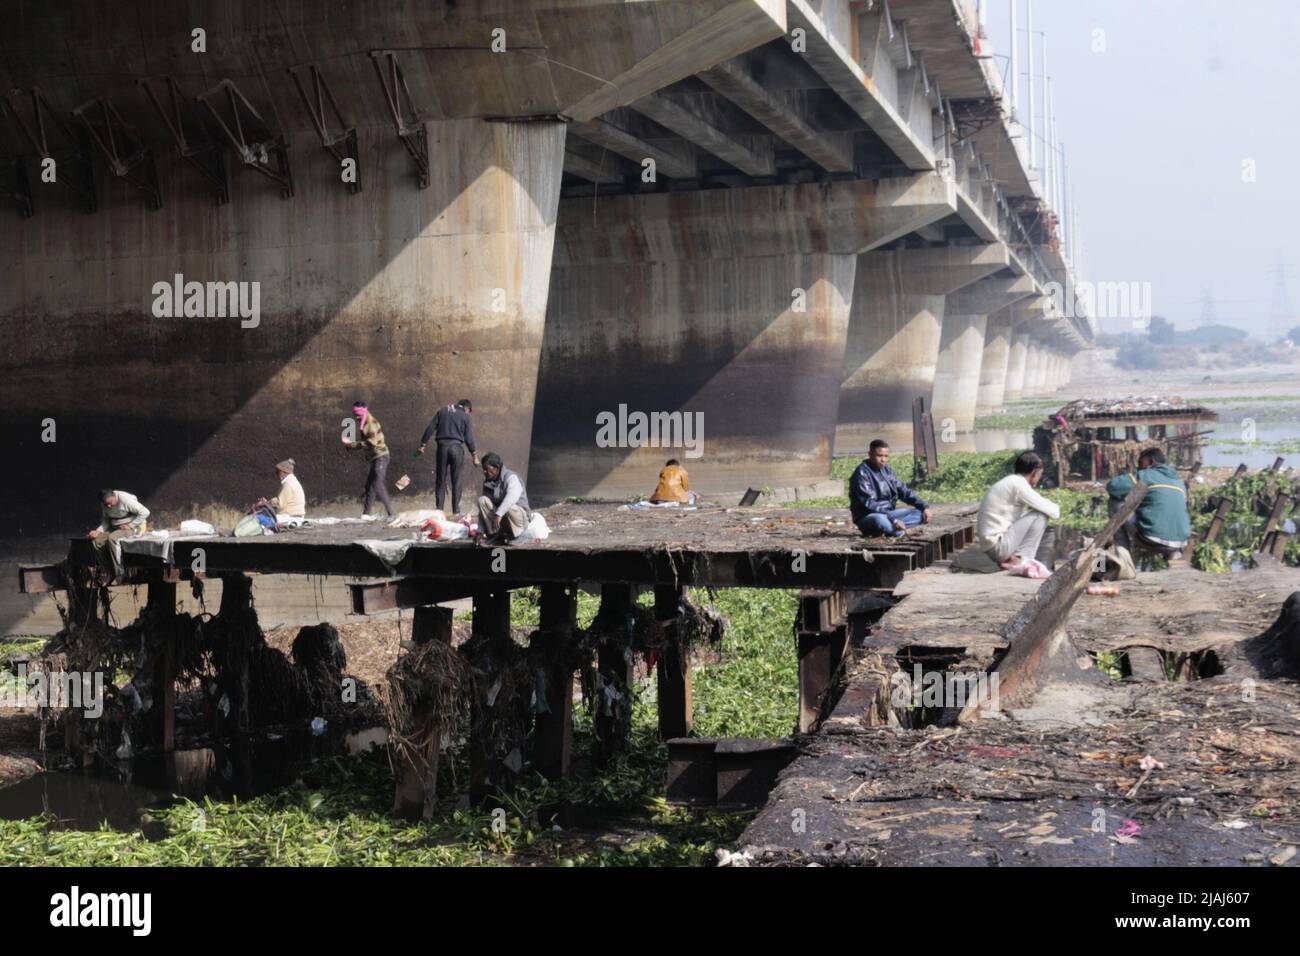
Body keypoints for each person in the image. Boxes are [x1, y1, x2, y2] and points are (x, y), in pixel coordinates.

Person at [975, 451, 1060, 569]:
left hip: (993, 547)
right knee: (1040, 515)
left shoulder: (1011, 481)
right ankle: (1022, 558)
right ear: (1034, 472)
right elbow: (1054, 513)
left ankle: (1017, 558)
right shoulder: (1019, 485)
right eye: (1040, 474)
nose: (1039, 478)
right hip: (998, 548)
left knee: (1034, 513)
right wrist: (1047, 506)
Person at [1106, 447, 1191, 558]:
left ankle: (1122, 554)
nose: (1139, 467)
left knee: (1115, 502)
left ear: (1151, 461)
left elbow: (1112, 486)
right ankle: (1174, 555)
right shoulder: (1179, 482)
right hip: (1180, 543)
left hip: (1151, 539)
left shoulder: (1145, 475)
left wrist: (1130, 476)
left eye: (1141, 463)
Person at [850, 440, 931, 537]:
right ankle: (897, 530)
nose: (883, 460)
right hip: (869, 515)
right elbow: (869, 503)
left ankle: (893, 530)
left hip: (889, 514)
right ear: (870, 454)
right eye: (879, 456)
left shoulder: (887, 471)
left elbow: (904, 492)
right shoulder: (861, 473)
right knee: (879, 520)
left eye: (886, 456)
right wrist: (894, 519)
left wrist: (924, 506)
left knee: (920, 513)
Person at [417, 398, 479, 515]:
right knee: (457, 480)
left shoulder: (442, 411)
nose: (468, 413)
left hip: (442, 449)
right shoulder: (465, 416)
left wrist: (422, 445)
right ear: (467, 408)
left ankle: (439, 511)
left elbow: (430, 428)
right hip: (456, 449)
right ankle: (456, 512)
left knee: (440, 480)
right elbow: (469, 438)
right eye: (469, 411)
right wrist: (474, 455)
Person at [343, 401, 393, 517]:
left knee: (377, 484)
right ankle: (366, 514)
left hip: (381, 457)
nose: (356, 417)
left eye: (358, 414)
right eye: (354, 414)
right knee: (370, 486)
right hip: (376, 458)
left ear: (363, 412)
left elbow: (372, 443)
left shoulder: (369, 423)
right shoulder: (364, 422)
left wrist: (353, 445)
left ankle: (392, 514)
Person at [88, 489, 149, 584]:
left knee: (112, 538)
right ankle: (108, 572)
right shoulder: (105, 503)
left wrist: (131, 525)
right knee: (96, 541)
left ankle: (120, 573)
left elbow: (145, 512)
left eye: (110, 503)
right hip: (115, 528)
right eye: (106, 504)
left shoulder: (124, 499)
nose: (108, 506)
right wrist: (98, 531)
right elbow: (106, 521)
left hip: (133, 528)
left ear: (114, 497)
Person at [476, 452, 531, 544]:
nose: (484, 472)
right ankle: (496, 535)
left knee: (509, 505)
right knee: (482, 500)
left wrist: (499, 514)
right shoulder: (488, 483)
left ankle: (519, 535)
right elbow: (482, 512)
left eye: (486, 469)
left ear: (496, 468)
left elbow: (511, 497)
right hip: (502, 520)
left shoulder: (511, 477)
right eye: (483, 469)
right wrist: (480, 531)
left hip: (520, 520)